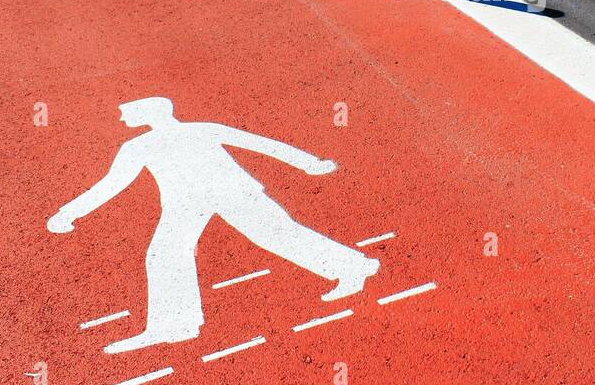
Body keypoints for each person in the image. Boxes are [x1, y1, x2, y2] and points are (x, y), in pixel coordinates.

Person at [46, 97, 380, 354]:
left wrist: (67, 214)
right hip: (191, 202)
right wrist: (309, 163)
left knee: (277, 235)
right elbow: (259, 143)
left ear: (148, 114)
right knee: (166, 255)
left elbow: (257, 143)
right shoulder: (152, 142)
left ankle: (355, 267)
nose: (122, 117)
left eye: (127, 111)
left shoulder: (148, 143)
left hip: (228, 192)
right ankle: (174, 325)